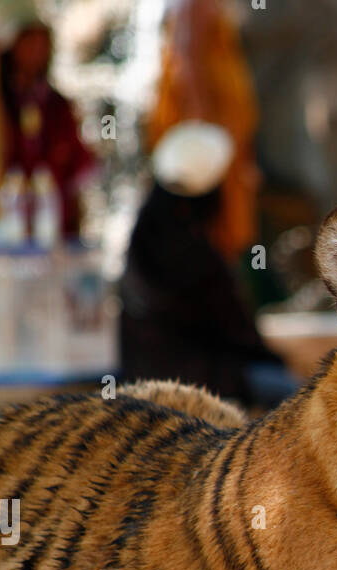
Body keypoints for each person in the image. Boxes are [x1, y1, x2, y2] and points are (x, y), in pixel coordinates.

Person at [119, 121, 297, 410]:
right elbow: (237, 333)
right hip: (204, 380)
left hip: (145, 374)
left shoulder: (143, 235)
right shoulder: (194, 253)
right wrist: (279, 361)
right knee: (293, 393)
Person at [0, 0, 95, 238]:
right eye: (28, 39)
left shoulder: (57, 106)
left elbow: (75, 175)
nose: (37, 48)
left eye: (41, 39)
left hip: (50, 233)